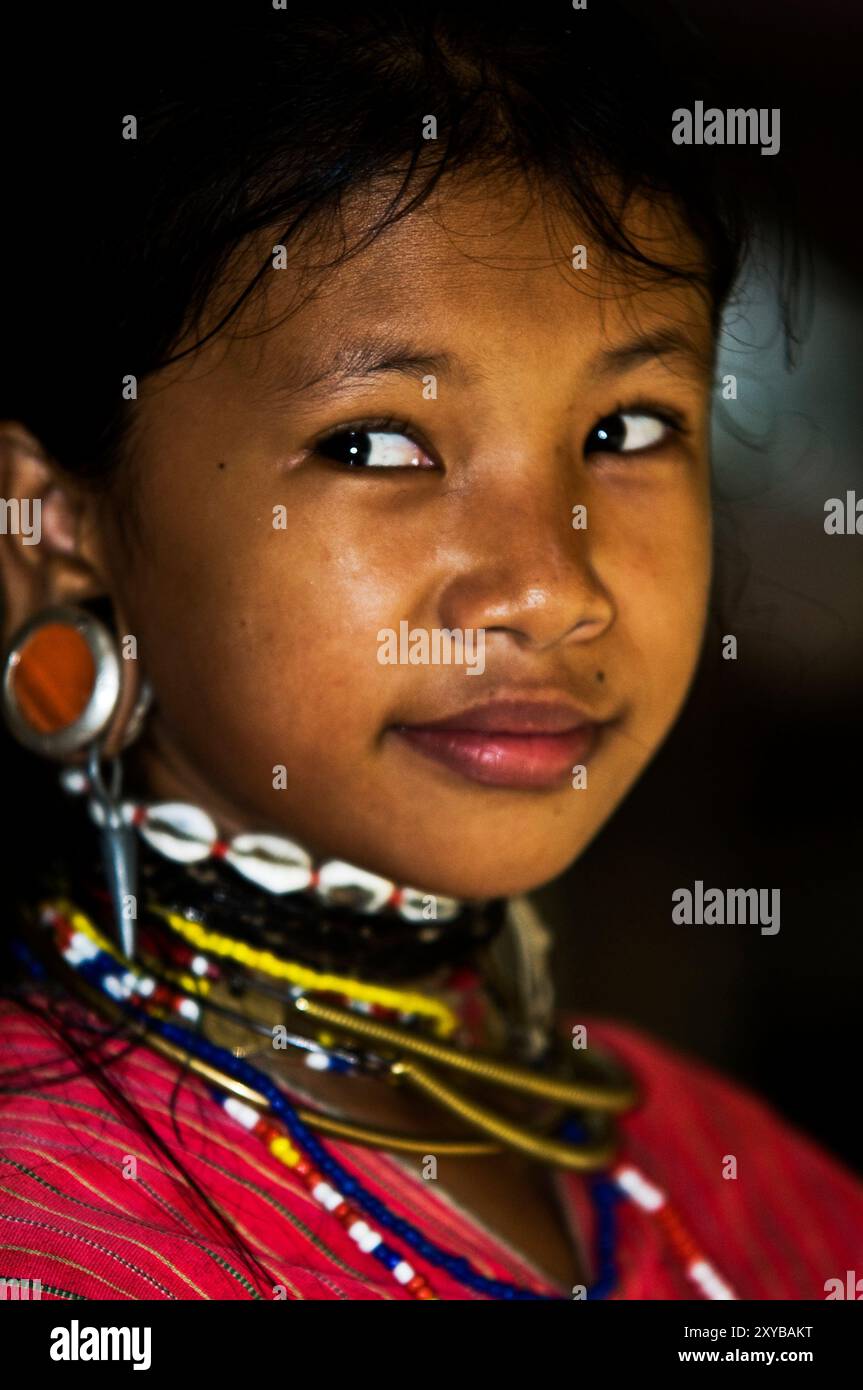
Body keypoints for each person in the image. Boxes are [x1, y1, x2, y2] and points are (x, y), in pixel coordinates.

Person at [0, 2, 859, 1302]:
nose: (548, 586)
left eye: (628, 429)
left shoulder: (741, 1183)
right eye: (378, 443)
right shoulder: (51, 1232)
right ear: (58, 528)